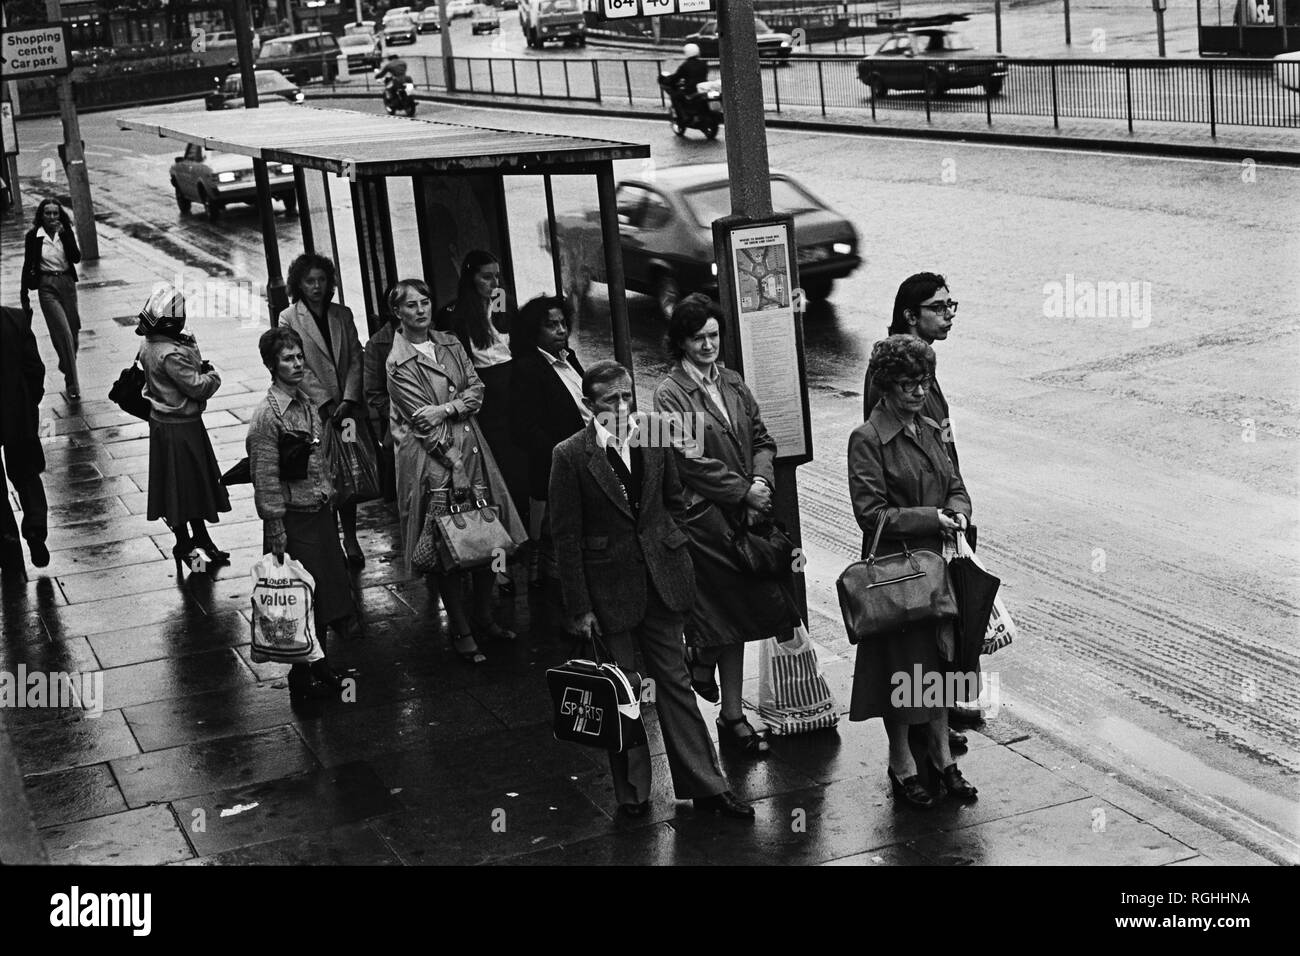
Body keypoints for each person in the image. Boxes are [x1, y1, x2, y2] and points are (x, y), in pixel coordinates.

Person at [549, 360, 754, 820]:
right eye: (610, 401)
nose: (622, 407)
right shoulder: (570, 456)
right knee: (622, 694)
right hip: (608, 593)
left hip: (662, 583)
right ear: (589, 406)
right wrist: (579, 608)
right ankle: (633, 794)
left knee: (676, 683)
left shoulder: (654, 436)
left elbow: (673, 502)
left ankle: (708, 785)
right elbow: (564, 537)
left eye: (627, 396)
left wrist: (672, 550)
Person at [652, 294, 801, 756]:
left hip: (743, 516)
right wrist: (744, 491)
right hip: (704, 521)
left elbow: (761, 436)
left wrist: (759, 480)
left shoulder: (732, 381)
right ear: (680, 342)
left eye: (714, 336)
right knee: (725, 614)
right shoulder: (668, 393)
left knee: (743, 611)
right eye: (698, 338)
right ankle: (730, 712)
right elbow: (687, 459)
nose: (708, 345)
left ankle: (719, 689)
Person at [847, 336, 978, 809]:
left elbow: (957, 484)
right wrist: (931, 517)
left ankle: (943, 760)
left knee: (941, 668)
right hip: (899, 574)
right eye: (908, 384)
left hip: (940, 567)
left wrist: (958, 511)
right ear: (885, 387)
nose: (919, 392)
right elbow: (871, 513)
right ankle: (902, 762)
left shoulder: (929, 428)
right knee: (901, 673)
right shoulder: (866, 439)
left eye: (923, 381)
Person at [386, 279, 526, 663]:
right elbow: (421, 424)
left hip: (472, 445)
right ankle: (462, 627)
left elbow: (477, 390)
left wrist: (446, 408)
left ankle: (484, 615)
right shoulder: (398, 362)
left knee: (487, 533)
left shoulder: (449, 342)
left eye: (425, 301)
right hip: (437, 461)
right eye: (411, 305)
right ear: (397, 312)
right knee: (448, 543)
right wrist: (456, 463)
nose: (420, 310)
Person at [865, 272, 973, 744]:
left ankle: (939, 722)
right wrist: (933, 513)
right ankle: (917, 742)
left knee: (943, 637)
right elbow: (886, 449)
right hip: (909, 538)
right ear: (911, 315)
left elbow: (944, 457)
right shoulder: (893, 374)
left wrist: (957, 502)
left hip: (941, 519)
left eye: (952, 304)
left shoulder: (921, 362)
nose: (949, 313)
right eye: (939, 306)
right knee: (911, 645)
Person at [247, 326, 354, 705]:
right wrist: (275, 526)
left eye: (298, 356)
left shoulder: (307, 403)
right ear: (271, 365)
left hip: (319, 512)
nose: (296, 364)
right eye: (287, 358)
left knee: (324, 592)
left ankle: (321, 663)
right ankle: (300, 675)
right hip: (293, 518)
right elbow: (264, 477)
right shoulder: (267, 417)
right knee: (298, 598)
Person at [437, 250, 529, 593]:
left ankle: (514, 551)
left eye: (497, 276)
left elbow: (512, 337)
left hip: (510, 389)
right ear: (470, 277)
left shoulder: (502, 302)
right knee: (491, 478)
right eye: (486, 276)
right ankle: (498, 562)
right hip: (483, 395)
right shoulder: (455, 312)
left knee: (515, 476)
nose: (493, 283)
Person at [279, 253, 369, 569]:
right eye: (310, 281)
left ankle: (352, 537)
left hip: (347, 409)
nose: (317, 287)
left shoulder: (342, 314)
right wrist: (326, 402)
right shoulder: (289, 318)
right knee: (324, 474)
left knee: (350, 473)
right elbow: (295, 364)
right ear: (298, 284)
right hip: (316, 411)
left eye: (322, 280)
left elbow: (357, 358)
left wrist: (348, 398)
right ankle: (331, 539)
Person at [135, 283, 232, 571]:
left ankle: (192, 542)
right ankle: (192, 545)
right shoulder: (172, 353)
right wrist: (212, 375)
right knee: (190, 487)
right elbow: (197, 386)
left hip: (165, 426)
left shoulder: (150, 345)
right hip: (182, 427)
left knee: (177, 489)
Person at [508, 295, 589, 591]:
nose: (561, 331)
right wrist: (563, 454)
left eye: (563, 323)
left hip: (589, 453)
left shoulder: (569, 359)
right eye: (551, 325)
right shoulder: (528, 369)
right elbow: (523, 428)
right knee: (556, 545)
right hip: (558, 465)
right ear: (534, 332)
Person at [0, 304, 49, 575]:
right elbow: (35, 368)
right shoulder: (14, 318)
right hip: (17, 412)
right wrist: (30, 402)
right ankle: (35, 529)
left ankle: (8, 546)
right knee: (27, 473)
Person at [20, 199, 83, 401]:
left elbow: (76, 258)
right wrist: (24, 295)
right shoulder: (34, 236)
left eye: (56, 213)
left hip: (67, 283)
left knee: (73, 332)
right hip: (47, 286)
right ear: (41, 215)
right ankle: (72, 382)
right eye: (48, 213)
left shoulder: (65, 232)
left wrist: (65, 234)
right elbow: (27, 263)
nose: (52, 217)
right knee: (62, 332)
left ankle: (66, 364)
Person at [363, 310, 400, 502]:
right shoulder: (377, 344)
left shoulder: (438, 338)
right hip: (400, 426)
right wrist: (396, 415)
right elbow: (374, 391)